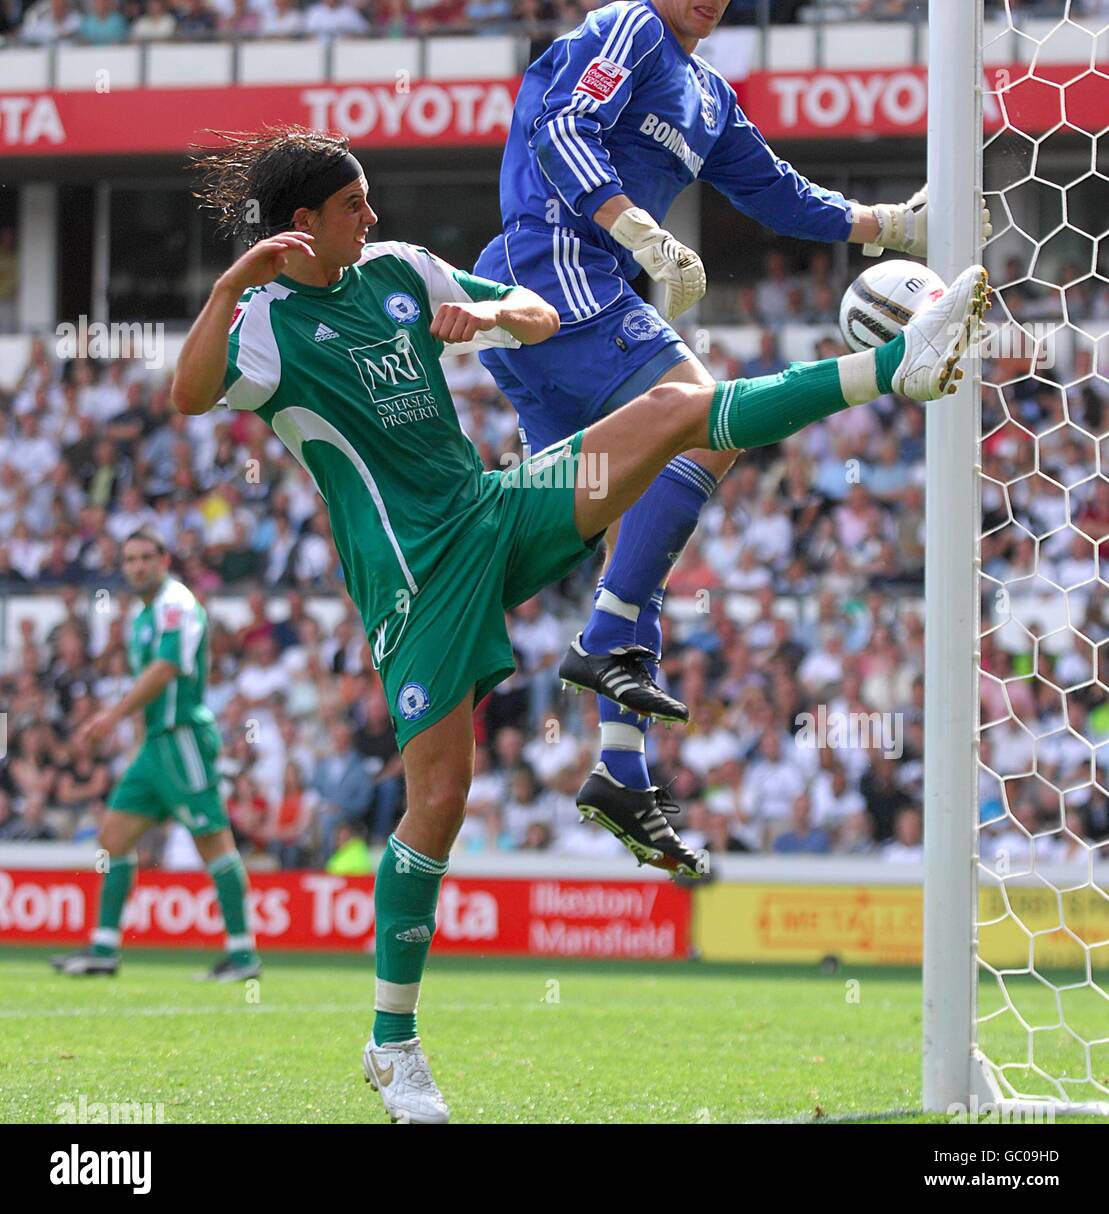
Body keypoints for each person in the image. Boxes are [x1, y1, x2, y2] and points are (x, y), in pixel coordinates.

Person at [172, 126, 987, 1122]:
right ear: (300, 227)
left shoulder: (394, 270)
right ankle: (392, 1044)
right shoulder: (262, 323)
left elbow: (531, 306)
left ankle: (890, 368)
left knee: (676, 407)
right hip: (413, 578)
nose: (373, 217)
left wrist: (487, 314)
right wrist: (226, 287)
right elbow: (188, 392)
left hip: (493, 512)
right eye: (354, 206)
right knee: (438, 799)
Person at [472, 0, 990, 868]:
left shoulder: (708, 96)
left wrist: (882, 225)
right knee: (702, 420)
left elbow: (774, 191)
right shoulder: (626, 30)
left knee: (629, 513)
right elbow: (556, 128)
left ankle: (618, 771)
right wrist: (632, 224)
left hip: (563, 301)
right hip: (553, 267)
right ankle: (601, 636)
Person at [49, 528, 262, 982]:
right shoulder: (142, 616)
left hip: (183, 738)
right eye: (129, 559)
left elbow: (167, 669)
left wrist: (112, 716)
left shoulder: (177, 605)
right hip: (154, 746)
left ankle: (244, 957)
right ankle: (104, 949)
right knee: (113, 836)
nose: (137, 566)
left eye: (146, 557)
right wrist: (134, 733)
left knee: (214, 843)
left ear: (164, 560)